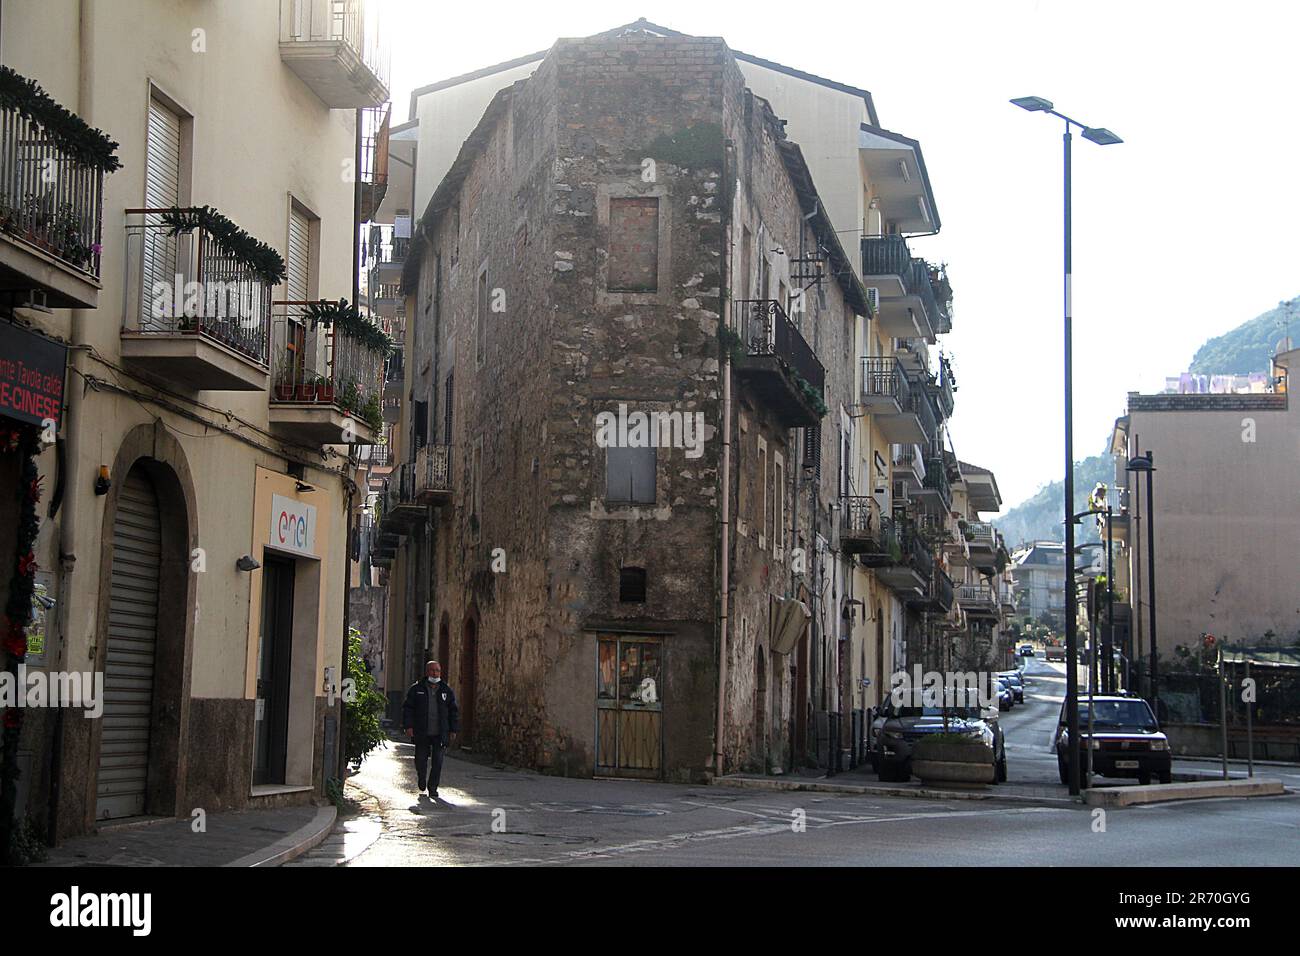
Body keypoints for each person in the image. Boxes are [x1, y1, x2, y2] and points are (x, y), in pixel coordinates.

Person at [401, 660, 460, 798]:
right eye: (432, 670)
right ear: (427, 672)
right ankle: (421, 777)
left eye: (438, 670)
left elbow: (453, 711)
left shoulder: (446, 690)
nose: (435, 673)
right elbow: (408, 709)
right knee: (421, 759)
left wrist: (453, 729)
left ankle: (433, 787)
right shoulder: (416, 689)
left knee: (438, 761)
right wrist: (408, 726)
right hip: (422, 732)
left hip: (440, 733)